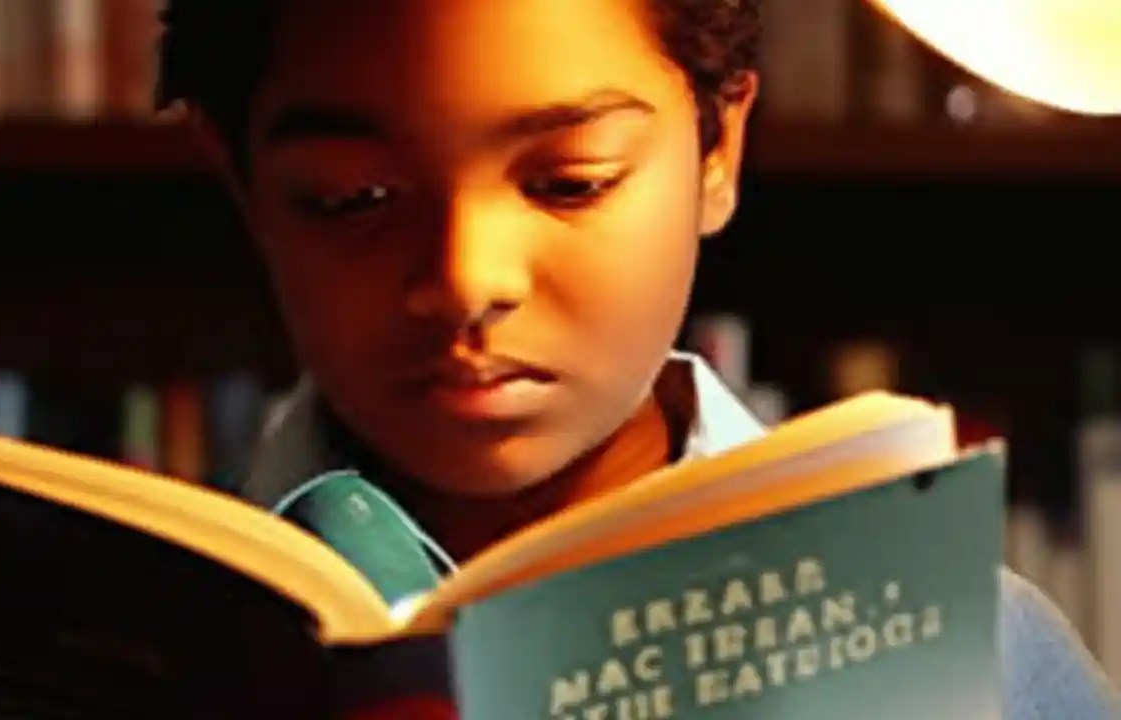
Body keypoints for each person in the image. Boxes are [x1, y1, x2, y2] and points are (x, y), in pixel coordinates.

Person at [155, 1, 1121, 717]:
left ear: (718, 148)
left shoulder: (980, 659)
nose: (463, 279)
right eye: (353, 197)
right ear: (238, 178)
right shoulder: (128, 650)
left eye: (572, 182)